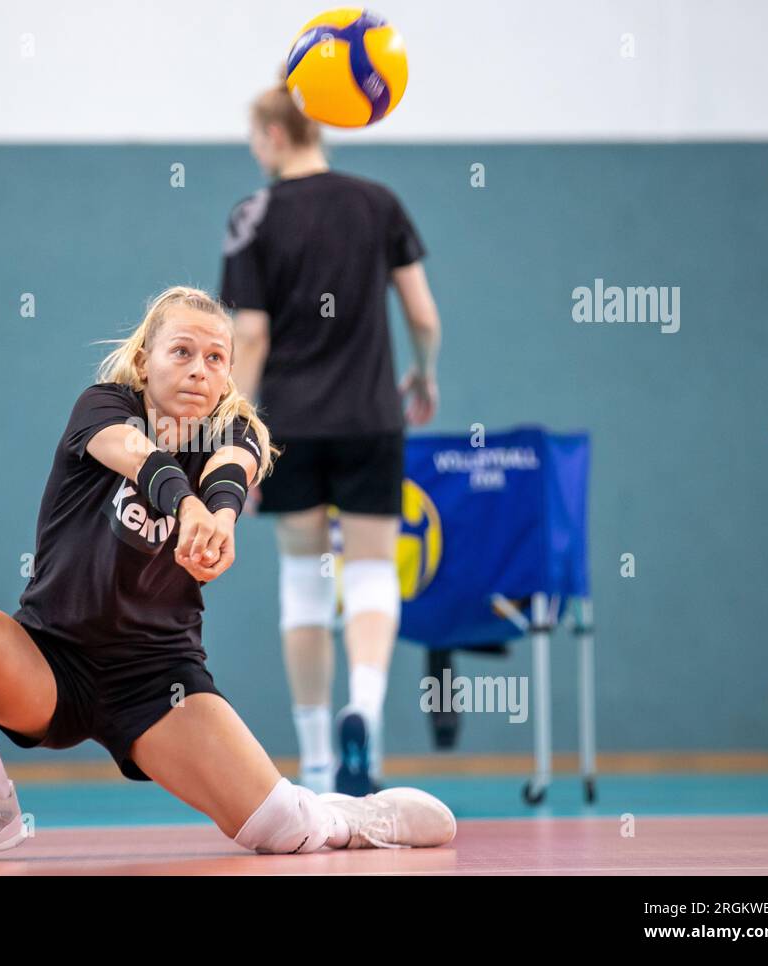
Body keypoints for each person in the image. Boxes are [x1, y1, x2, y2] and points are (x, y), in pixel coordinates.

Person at [0, 286, 454, 861]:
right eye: (180, 352)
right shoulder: (103, 407)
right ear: (144, 361)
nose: (198, 370)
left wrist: (221, 521)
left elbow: (234, 469)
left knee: (286, 833)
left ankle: (344, 813)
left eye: (215, 358)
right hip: (50, 659)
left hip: (158, 682)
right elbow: (136, 454)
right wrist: (188, 509)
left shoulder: (236, 431)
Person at [218, 78, 443, 796]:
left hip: (290, 428)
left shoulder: (251, 216)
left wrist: (236, 435)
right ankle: (365, 715)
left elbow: (249, 335)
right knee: (374, 572)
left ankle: (316, 760)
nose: (254, 150)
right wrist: (424, 375)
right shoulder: (378, 203)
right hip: (372, 418)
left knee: (303, 584)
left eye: (255, 136)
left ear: (276, 135)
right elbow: (424, 315)